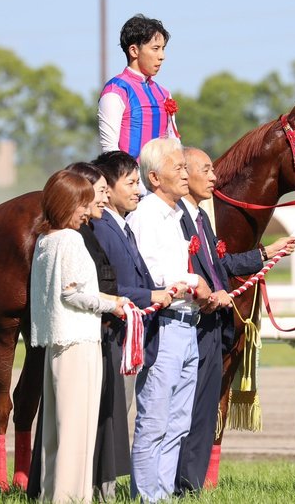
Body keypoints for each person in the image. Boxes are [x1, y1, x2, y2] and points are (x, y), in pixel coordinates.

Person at [174, 147, 295, 494]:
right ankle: (173, 484)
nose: (217, 177)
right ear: (185, 175)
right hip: (189, 322)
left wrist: (265, 254)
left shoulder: (202, 219)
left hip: (211, 323)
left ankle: (192, 486)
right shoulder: (179, 220)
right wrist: (209, 294)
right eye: (207, 170)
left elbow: (220, 267)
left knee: (203, 406)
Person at [29, 170, 131, 504]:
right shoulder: (71, 240)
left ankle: (51, 494)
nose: (88, 212)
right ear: (66, 204)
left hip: (56, 343)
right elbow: (73, 293)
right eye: (82, 205)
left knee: (56, 434)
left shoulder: (46, 240)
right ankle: (72, 498)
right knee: (77, 432)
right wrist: (112, 305)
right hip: (79, 342)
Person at [126, 137, 212, 502]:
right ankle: (146, 495)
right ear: (155, 177)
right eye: (177, 168)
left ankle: (161, 493)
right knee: (155, 421)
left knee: (178, 422)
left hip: (187, 324)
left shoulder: (177, 216)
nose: (184, 173)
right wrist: (195, 282)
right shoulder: (146, 217)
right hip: (164, 325)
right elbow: (153, 275)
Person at [90, 150, 182, 414]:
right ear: (106, 188)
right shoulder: (102, 228)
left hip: (130, 338)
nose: (139, 191)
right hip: (114, 338)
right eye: (130, 183)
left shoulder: (121, 226)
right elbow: (101, 288)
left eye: (137, 183)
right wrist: (150, 296)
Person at [98, 14, 179, 158]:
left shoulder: (165, 94)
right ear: (134, 51)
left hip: (162, 179)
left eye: (163, 48)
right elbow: (110, 150)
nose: (162, 56)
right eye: (155, 48)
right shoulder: (115, 90)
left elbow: (174, 143)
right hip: (129, 177)